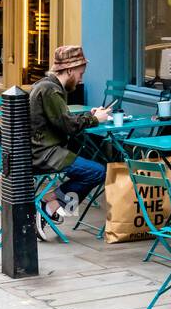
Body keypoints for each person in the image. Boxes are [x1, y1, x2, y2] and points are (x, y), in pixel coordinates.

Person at [29, 45, 112, 241]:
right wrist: (94, 119)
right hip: (45, 154)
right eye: (80, 73)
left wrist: (88, 116)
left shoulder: (47, 86)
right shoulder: (50, 90)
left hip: (43, 150)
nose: (82, 78)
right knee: (98, 172)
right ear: (69, 70)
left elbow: (62, 120)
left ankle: (52, 207)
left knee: (93, 171)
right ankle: (48, 206)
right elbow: (68, 127)